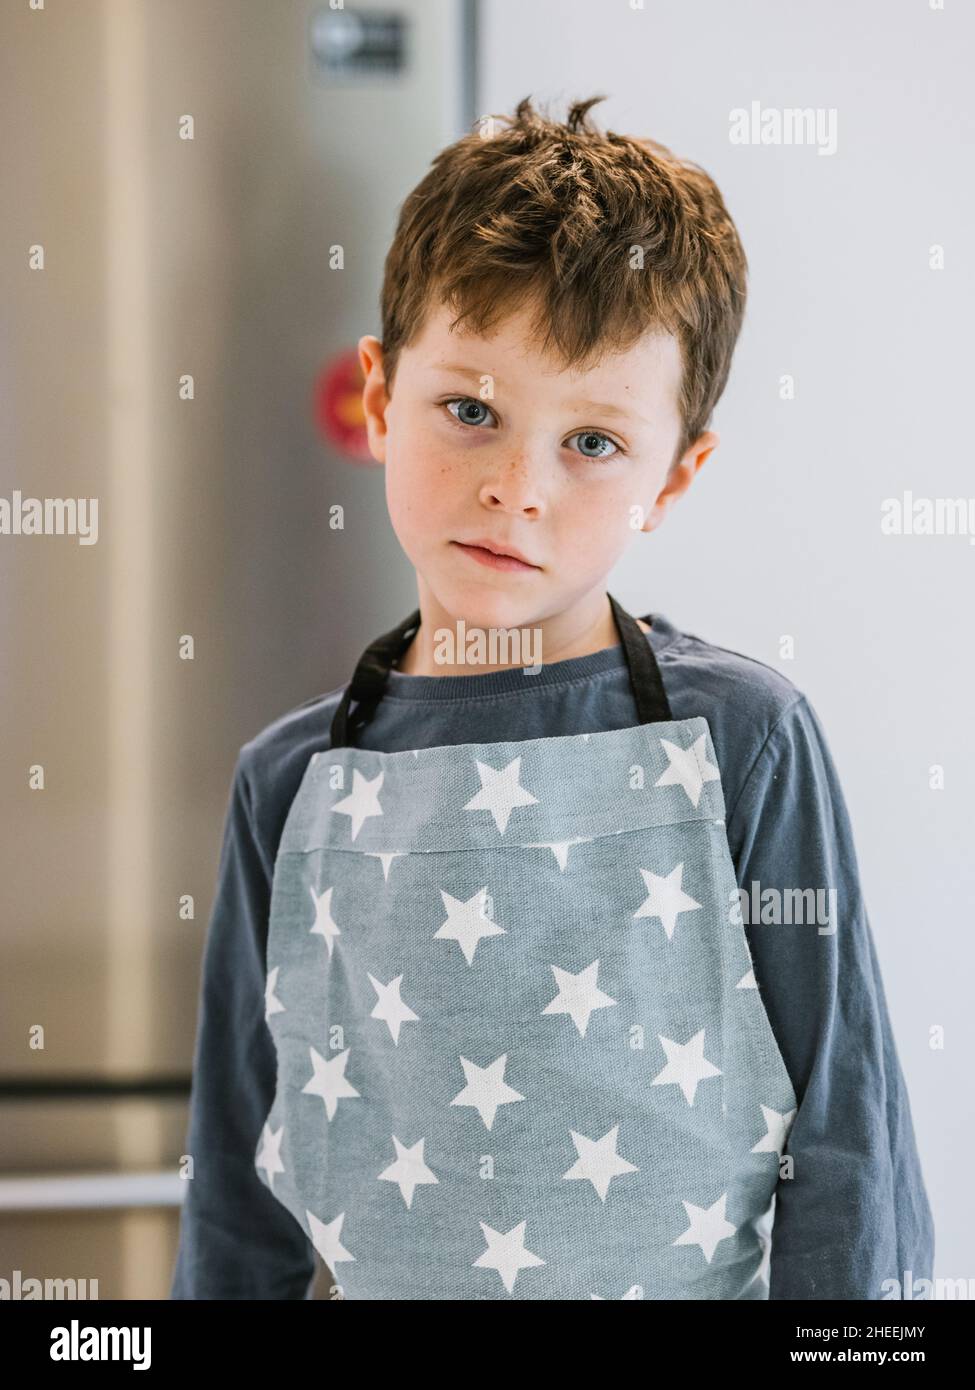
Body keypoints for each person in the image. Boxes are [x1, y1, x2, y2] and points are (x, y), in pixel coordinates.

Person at [170, 95, 934, 1300]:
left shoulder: (741, 742)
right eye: (470, 412)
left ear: (675, 476)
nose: (517, 488)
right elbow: (235, 1191)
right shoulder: (289, 782)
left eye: (593, 443)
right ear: (378, 400)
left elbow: (850, 1146)